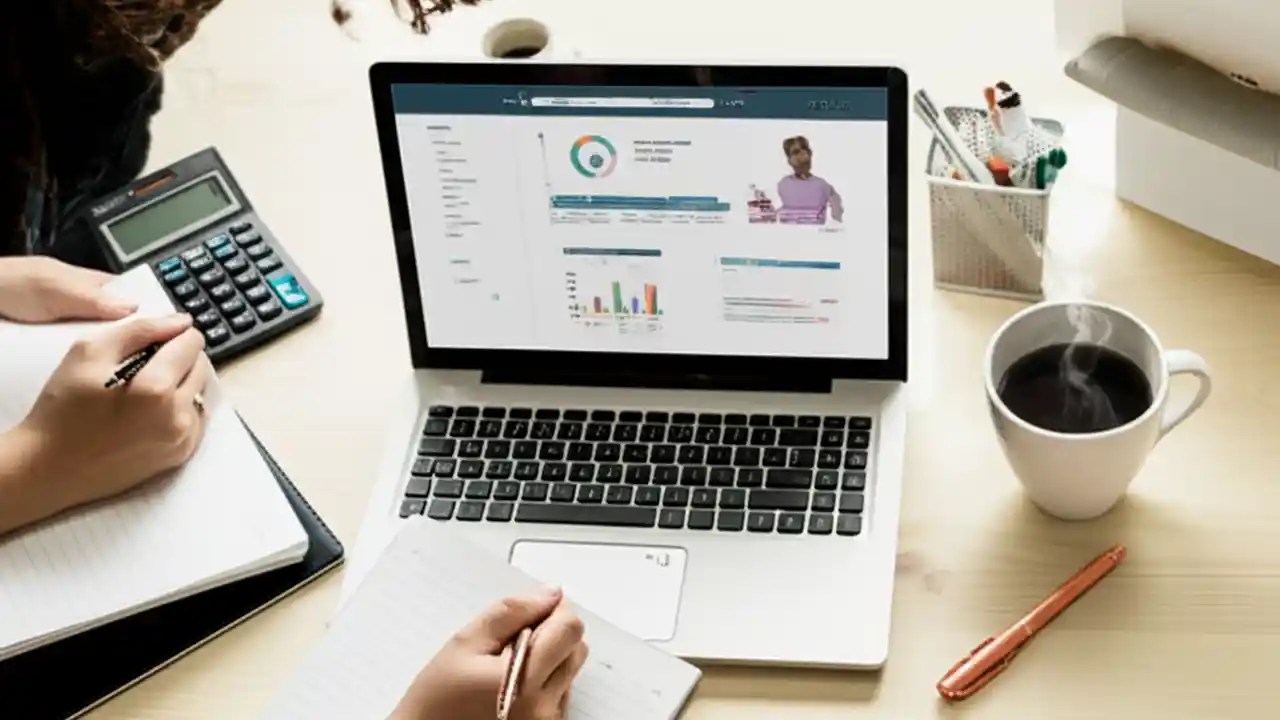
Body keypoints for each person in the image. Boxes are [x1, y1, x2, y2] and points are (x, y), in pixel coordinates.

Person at [776, 135, 844, 225]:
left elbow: (837, 210)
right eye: (796, 152)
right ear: (789, 160)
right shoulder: (784, 184)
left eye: (805, 150)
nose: (802, 154)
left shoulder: (822, 185)